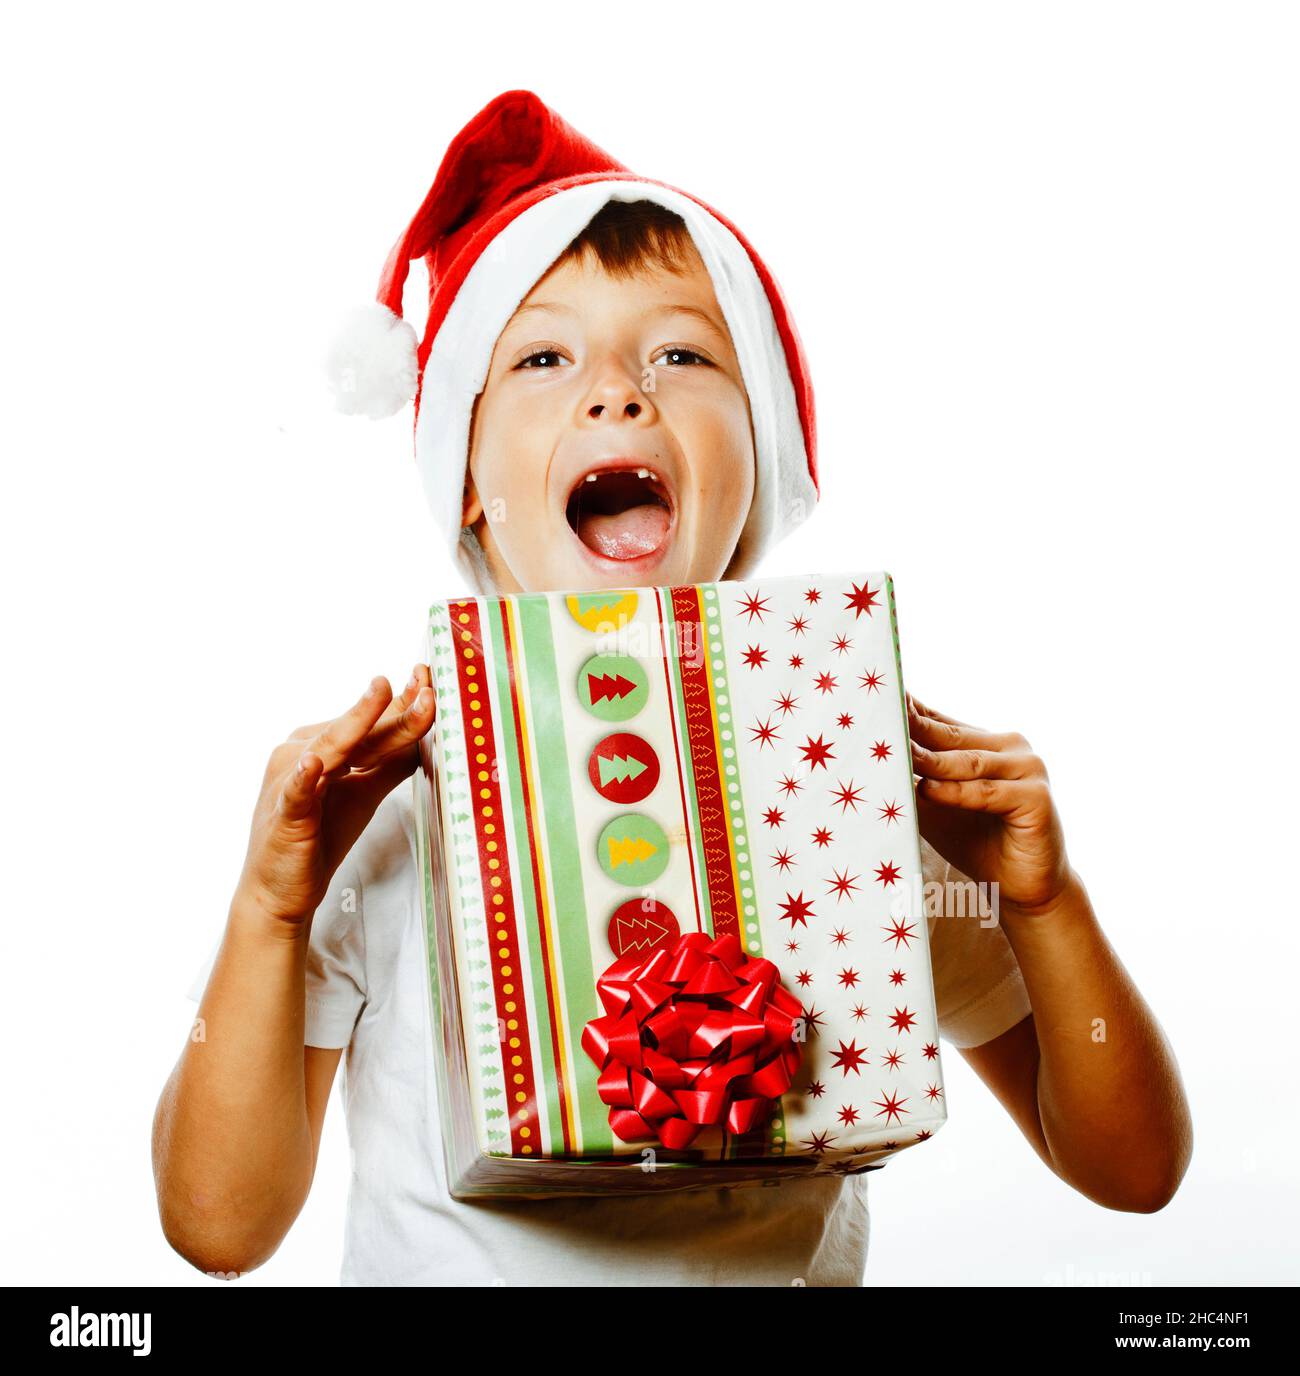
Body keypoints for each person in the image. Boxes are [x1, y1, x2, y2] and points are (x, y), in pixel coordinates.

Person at [153, 90, 1192, 1286]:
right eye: (543, 355)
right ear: (468, 479)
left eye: (683, 354)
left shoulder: (836, 778)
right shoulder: (387, 805)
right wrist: (268, 910)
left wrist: (1045, 904)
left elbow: (1132, 1168)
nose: (617, 391)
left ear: (762, 463)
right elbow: (218, 1226)